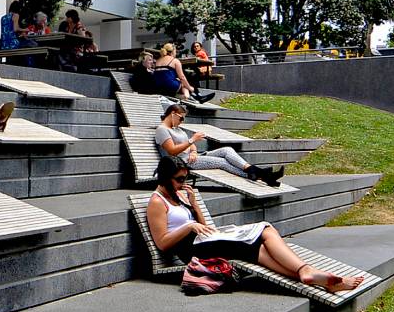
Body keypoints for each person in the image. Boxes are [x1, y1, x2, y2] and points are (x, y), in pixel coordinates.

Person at [145, 156, 366, 291]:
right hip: (191, 250)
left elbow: (204, 225)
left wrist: (193, 204)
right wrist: (189, 226)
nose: (184, 183)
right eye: (180, 179)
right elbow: (163, 243)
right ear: (165, 178)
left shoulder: (179, 195)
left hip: (206, 239)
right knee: (258, 240)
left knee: (264, 232)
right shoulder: (157, 202)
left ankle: (308, 273)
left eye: (186, 179)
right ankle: (309, 273)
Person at [155, 101, 282, 187]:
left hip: (192, 157)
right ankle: (264, 176)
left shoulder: (177, 128)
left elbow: (191, 146)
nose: (182, 121)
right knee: (222, 163)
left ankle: (256, 172)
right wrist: (192, 140)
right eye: (181, 118)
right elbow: (172, 151)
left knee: (226, 150)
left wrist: (193, 150)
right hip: (183, 163)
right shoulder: (162, 130)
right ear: (172, 114)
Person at [142, 42, 213, 102]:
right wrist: (190, 88)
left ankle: (195, 97)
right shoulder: (175, 60)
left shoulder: (158, 61)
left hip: (157, 86)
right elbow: (182, 77)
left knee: (180, 82)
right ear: (173, 51)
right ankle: (194, 96)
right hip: (169, 85)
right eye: (175, 51)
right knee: (184, 83)